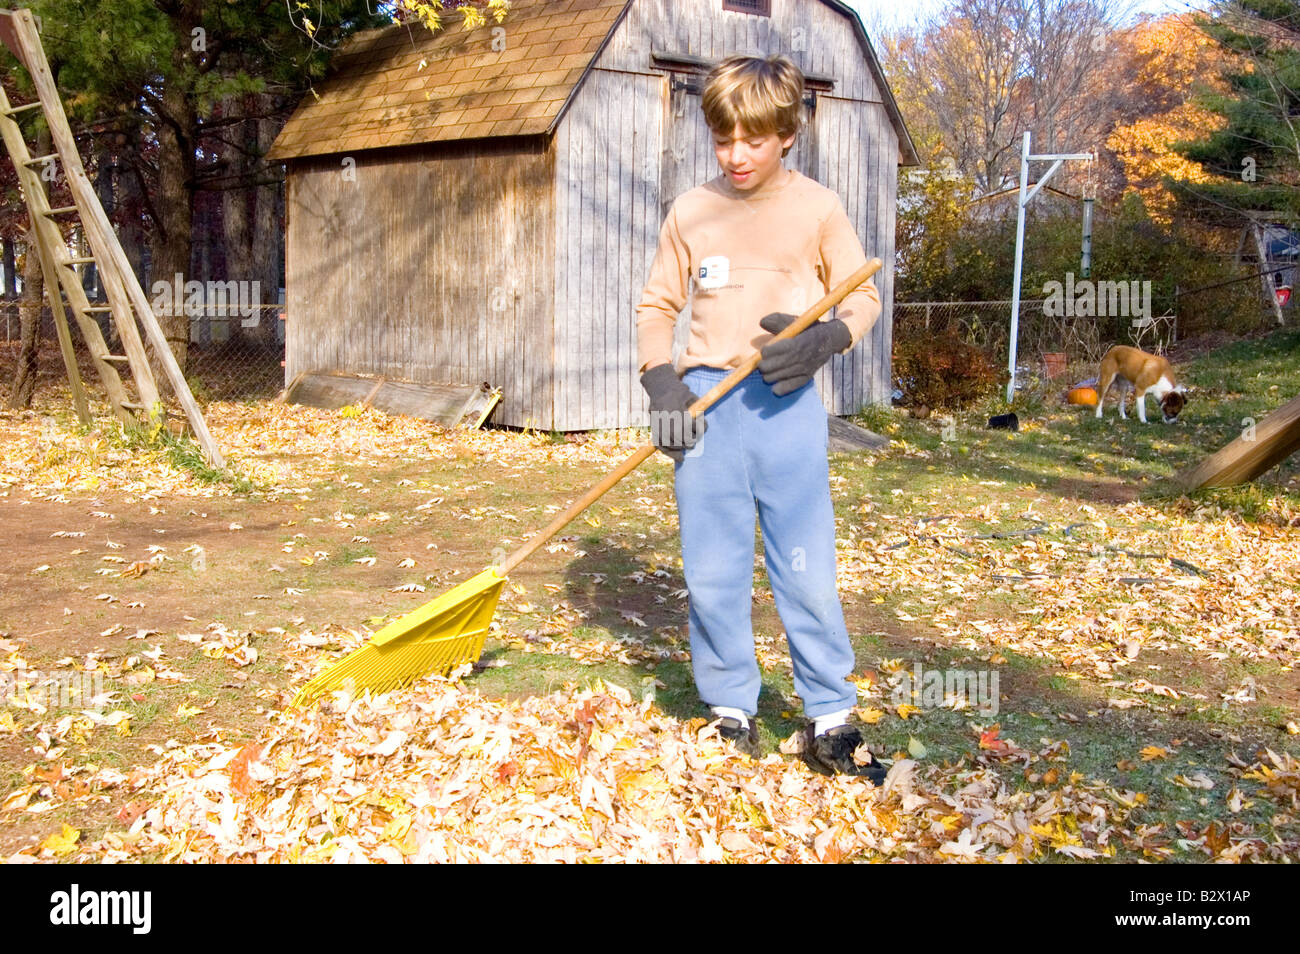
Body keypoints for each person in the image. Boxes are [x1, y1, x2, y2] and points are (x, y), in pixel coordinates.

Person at [635, 54, 886, 782]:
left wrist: (828, 338)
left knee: (804, 567)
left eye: (752, 140)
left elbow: (860, 296)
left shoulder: (818, 209)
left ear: (786, 136)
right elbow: (658, 306)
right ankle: (730, 709)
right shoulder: (691, 210)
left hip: (785, 407)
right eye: (723, 140)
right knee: (711, 568)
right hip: (707, 408)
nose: (736, 156)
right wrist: (661, 385)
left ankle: (831, 717)